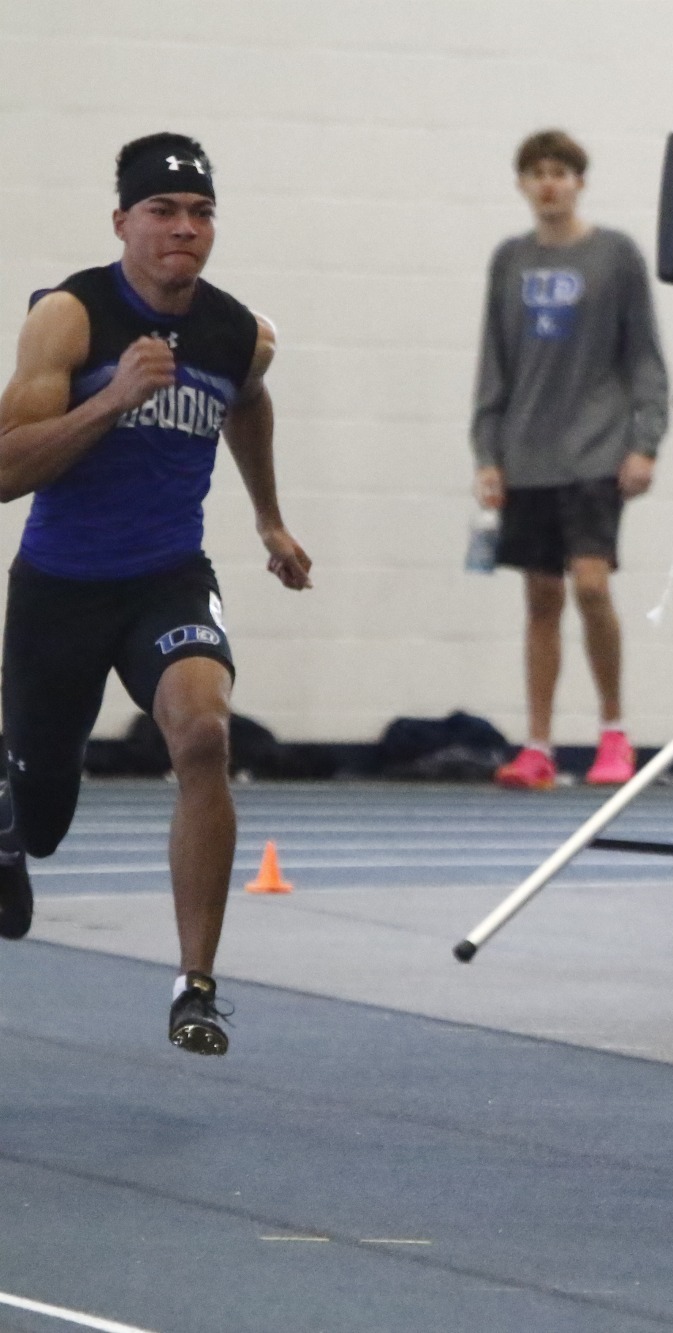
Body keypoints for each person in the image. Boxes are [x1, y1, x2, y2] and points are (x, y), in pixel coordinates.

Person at [0, 132, 314, 1054]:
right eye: (165, 213)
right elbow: (7, 472)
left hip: (168, 579)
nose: (185, 230)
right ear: (123, 223)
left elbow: (248, 401)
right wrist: (110, 401)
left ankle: (195, 987)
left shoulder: (236, 331)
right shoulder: (70, 317)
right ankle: (13, 821)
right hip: (60, 588)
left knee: (205, 733)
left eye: (201, 213)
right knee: (48, 812)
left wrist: (268, 520)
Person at [472, 130, 669, 791]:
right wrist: (487, 451)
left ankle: (614, 732)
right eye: (537, 173)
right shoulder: (509, 261)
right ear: (523, 184)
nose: (549, 183)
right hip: (526, 452)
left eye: (561, 172)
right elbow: (493, 359)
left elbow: (644, 355)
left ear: (580, 181)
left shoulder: (614, 256)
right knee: (541, 596)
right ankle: (538, 745)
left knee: (590, 584)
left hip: (596, 450)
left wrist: (646, 440)